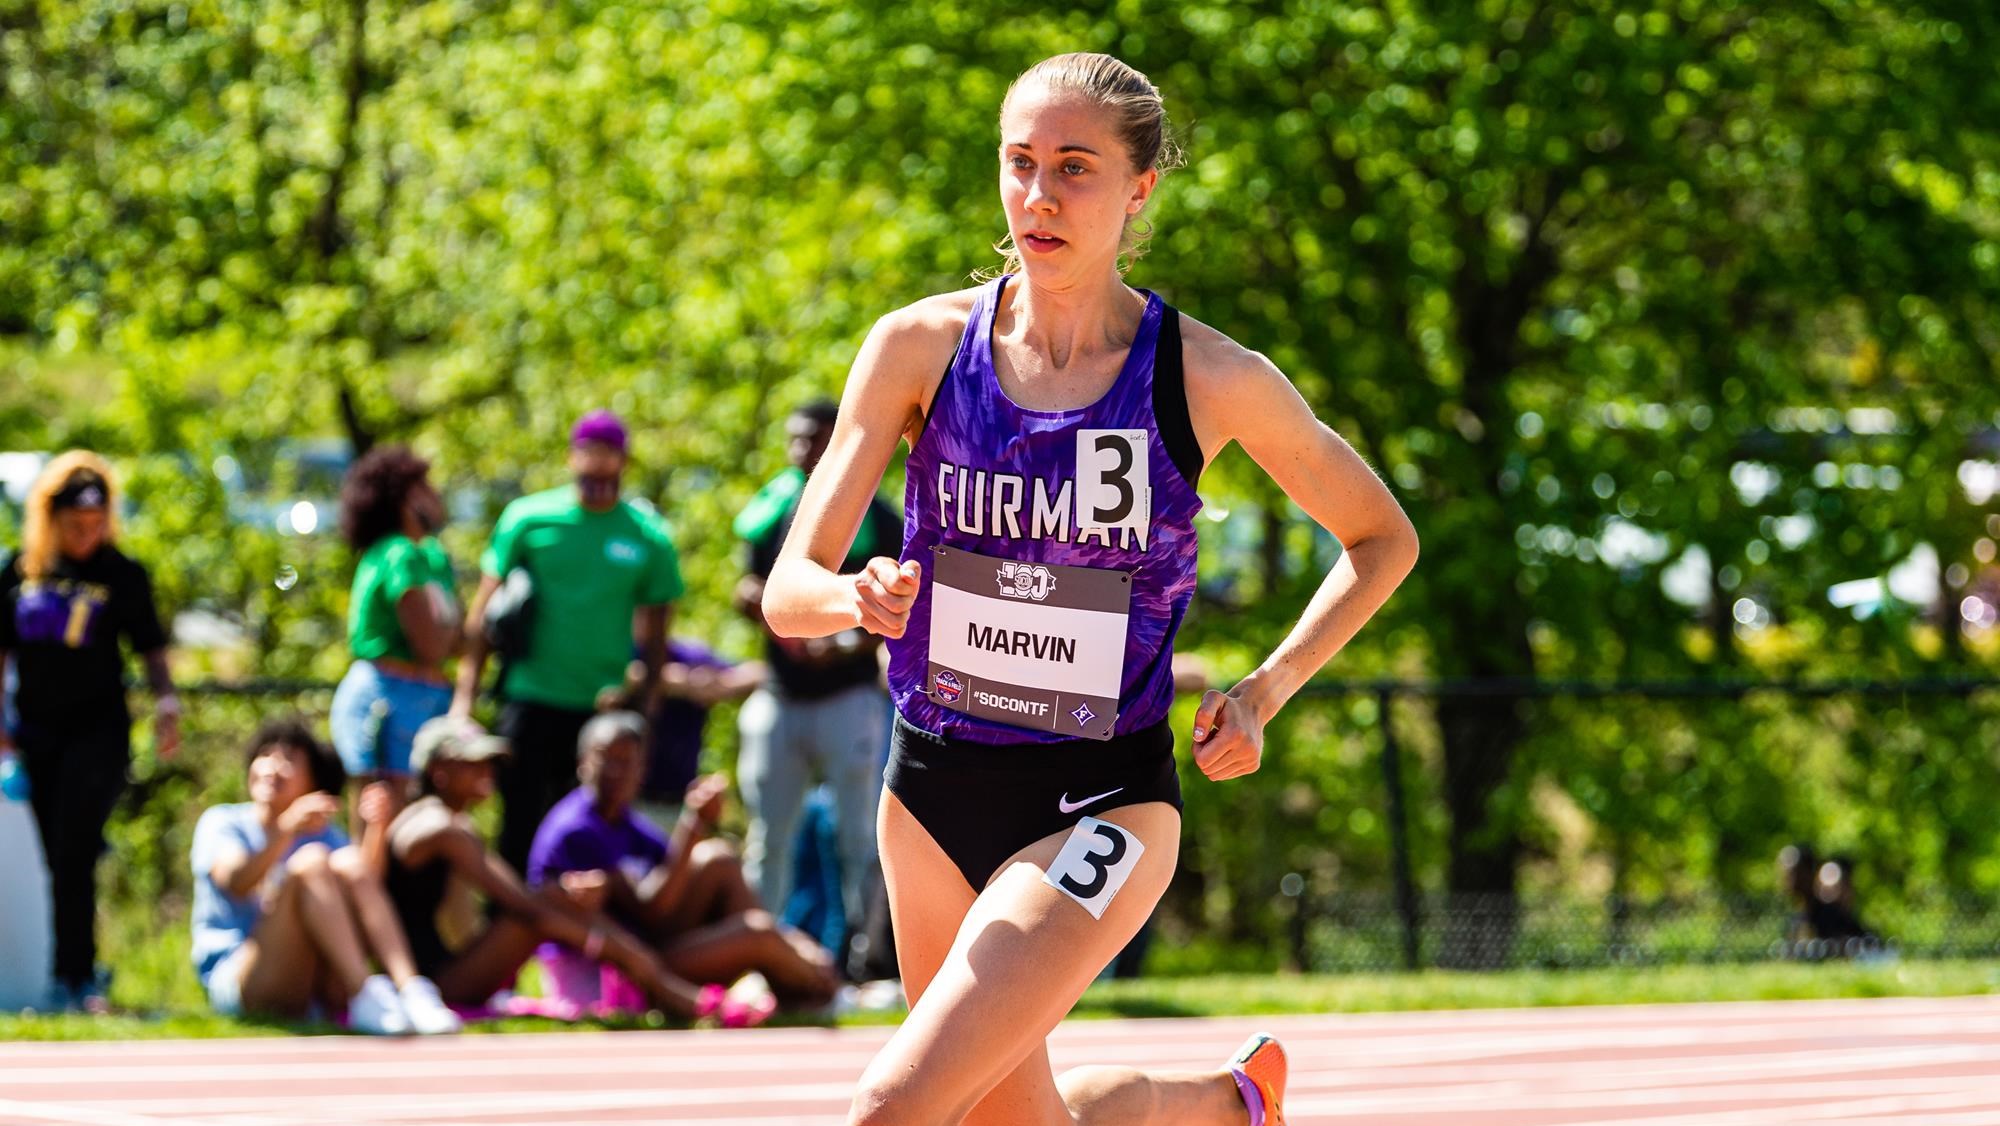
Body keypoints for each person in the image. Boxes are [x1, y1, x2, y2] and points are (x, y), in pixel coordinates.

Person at [762, 53, 1419, 1126]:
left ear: (1139, 188)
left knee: (889, 1106)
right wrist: (855, 597)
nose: (1038, 195)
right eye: (1019, 164)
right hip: (926, 789)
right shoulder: (918, 348)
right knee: (1003, 1120)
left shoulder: (1205, 376)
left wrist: (1262, 689)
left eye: (1074, 168)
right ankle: (1225, 1105)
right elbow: (788, 590)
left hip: (1096, 801)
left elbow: (1379, 539)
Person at [384, 715, 763, 1025]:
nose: (487, 771)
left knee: (550, 901)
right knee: (537, 913)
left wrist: (565, 896)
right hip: (436, 982)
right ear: (438, 771)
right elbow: (522, 903)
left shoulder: (438, 820)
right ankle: (665, 987)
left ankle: (663, 981)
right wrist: (609, 940)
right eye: (471, 763)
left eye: (487, 761)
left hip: (443, 968)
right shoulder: (444, 829)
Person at [452, 411, 685, 873]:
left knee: (586, 832)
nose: (597, 466)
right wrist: (464, 700)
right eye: (588, 453)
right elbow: (483, 617)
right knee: (517, 827)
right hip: (529, 696)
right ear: (571, 457)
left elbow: (658, 637)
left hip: (599, 708)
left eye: (608, 455)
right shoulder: (529, 519)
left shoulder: (648, 537)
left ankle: (571, 940)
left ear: (624, 461)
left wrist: (648, 710)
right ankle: (512, 937)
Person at [0, 452, 182, 1012]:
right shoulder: (19, 571)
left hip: (98, 730)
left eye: (96, 523)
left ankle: (74, 977)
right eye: (76, 525)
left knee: (76, 845)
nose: (87, 535)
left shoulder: (121, 573)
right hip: (37, 731)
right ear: (50, 517)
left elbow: (151, 648)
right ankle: (74, 972)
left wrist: (166, 702)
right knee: (59, 853)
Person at [525, 711, 840, 1010]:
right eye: (606, 758)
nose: (616, 771)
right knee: (758, 935)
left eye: (627, 761)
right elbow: (652, 910)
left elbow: (675, 880)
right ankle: (820, 986)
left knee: (718, 859)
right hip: (616, 966)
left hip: (647, 947)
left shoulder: (623, 821)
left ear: (642, 770)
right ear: (583, 763)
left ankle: (800, 966)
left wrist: (792, 940)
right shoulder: (575, 829)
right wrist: (692, 825)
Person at [734, 400, 901, 951]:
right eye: (795, 439)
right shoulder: (773, 508)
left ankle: (865, 959)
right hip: (780, 695)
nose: (801, 450)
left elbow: (907, 604)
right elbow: (750, 588)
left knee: (861, 836)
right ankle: (762, 957)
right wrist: (760, 606)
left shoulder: (878, 516)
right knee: (769, 838)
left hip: (849, 698)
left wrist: (842, 641)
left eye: (813, 438)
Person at [189, 719, 460, 1034]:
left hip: (313, 986)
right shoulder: (223, 821)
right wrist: (286, 829)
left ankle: (412, 990)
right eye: (266, 755)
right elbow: (235, 881)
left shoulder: (325, 833)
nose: (272, 767)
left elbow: (366, 891)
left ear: (314, 782)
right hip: (238, 980)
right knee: (313, 861)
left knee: (347, 862)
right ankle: (363, 992)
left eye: (288, 760)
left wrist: (376, 827)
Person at [328, 446, 458, 802]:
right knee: (386, 824)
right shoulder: (399, 553)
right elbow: (432, 647)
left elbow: (452, 641)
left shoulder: (431, 555)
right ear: (404, 498)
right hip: (389, 700)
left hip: (425, 698)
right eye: (425, 487)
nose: (436, 495)